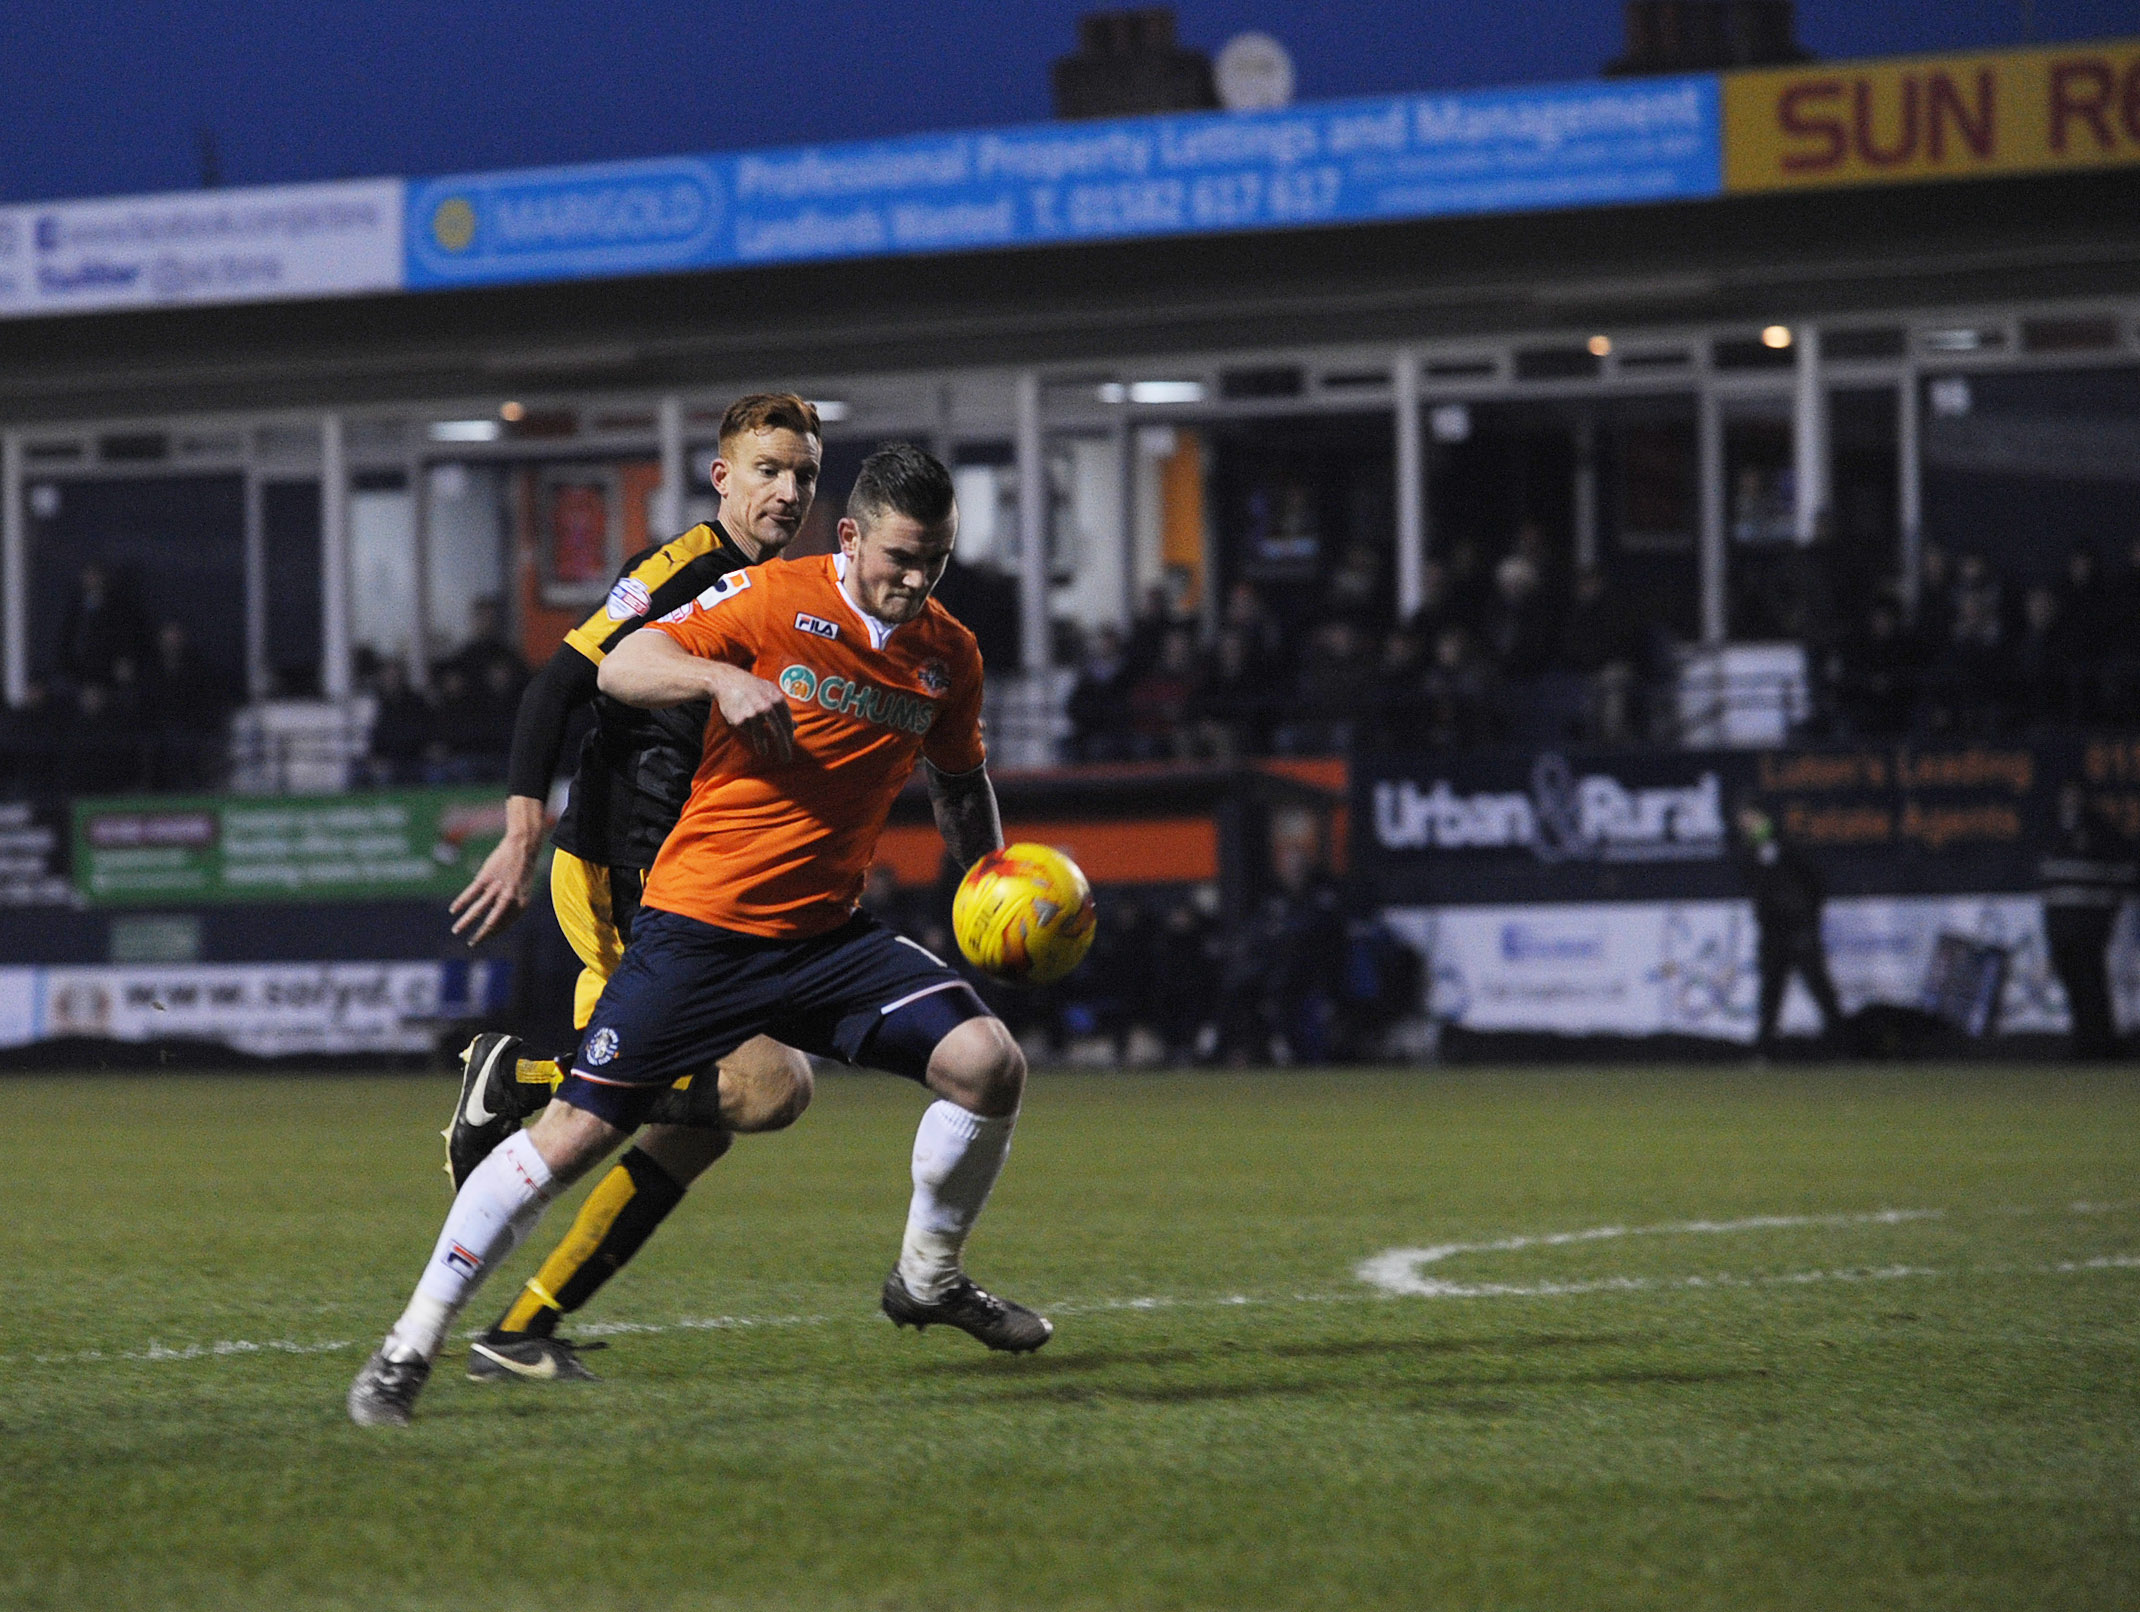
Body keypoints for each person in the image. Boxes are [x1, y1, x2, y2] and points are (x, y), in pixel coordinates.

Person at [351, 444, 1044, 1427]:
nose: (914, 579)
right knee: (576, 1136)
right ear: (849, 538)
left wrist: (990, 880)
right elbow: (626, 661)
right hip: (701, 928)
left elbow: (959, 778)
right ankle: (406, 1347)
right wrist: (719, 685)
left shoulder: (948, 652)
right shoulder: (769, 601)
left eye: (933, 561)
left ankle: (927, 1278)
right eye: (898, 557)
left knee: (989, 1063)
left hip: (825, 938)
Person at [438, 395, 823, 1381]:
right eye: (769, 469)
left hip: (702, 880)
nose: (788, 490)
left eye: (804, 475)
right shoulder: (676, 568)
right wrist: (521, 822)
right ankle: (520, 1077)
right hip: (625, 871)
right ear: (722, 477)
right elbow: (555, 688)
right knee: (764, 1086)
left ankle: (523, 1328)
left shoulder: (787, 591)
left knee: (709, 1116)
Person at [2038, 783, 2135, 1060]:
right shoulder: (2054, 830)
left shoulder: (2099, 830)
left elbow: (2122, 874)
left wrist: (2104, 918)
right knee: (2075, 987)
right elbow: (2050, 886)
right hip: (2062, 927)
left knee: (2093, 985)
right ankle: (2084, 1044)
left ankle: (2103, 1046)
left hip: (2088, 927)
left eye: (2074, 794)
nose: (2070, 800)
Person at [1735, 803, 1843, 1052]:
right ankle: (1764, 1051)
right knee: (1770, 995)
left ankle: (1843, 1047)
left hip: (1799, 931)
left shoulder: (1787, 844)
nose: (1746, 823)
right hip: (1772, 934)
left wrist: (1807, 921)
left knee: (1820, 990)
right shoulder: (1749, 849)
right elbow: (1754, 885)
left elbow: (1814, 883)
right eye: (1743, 819)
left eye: (1750, 817)